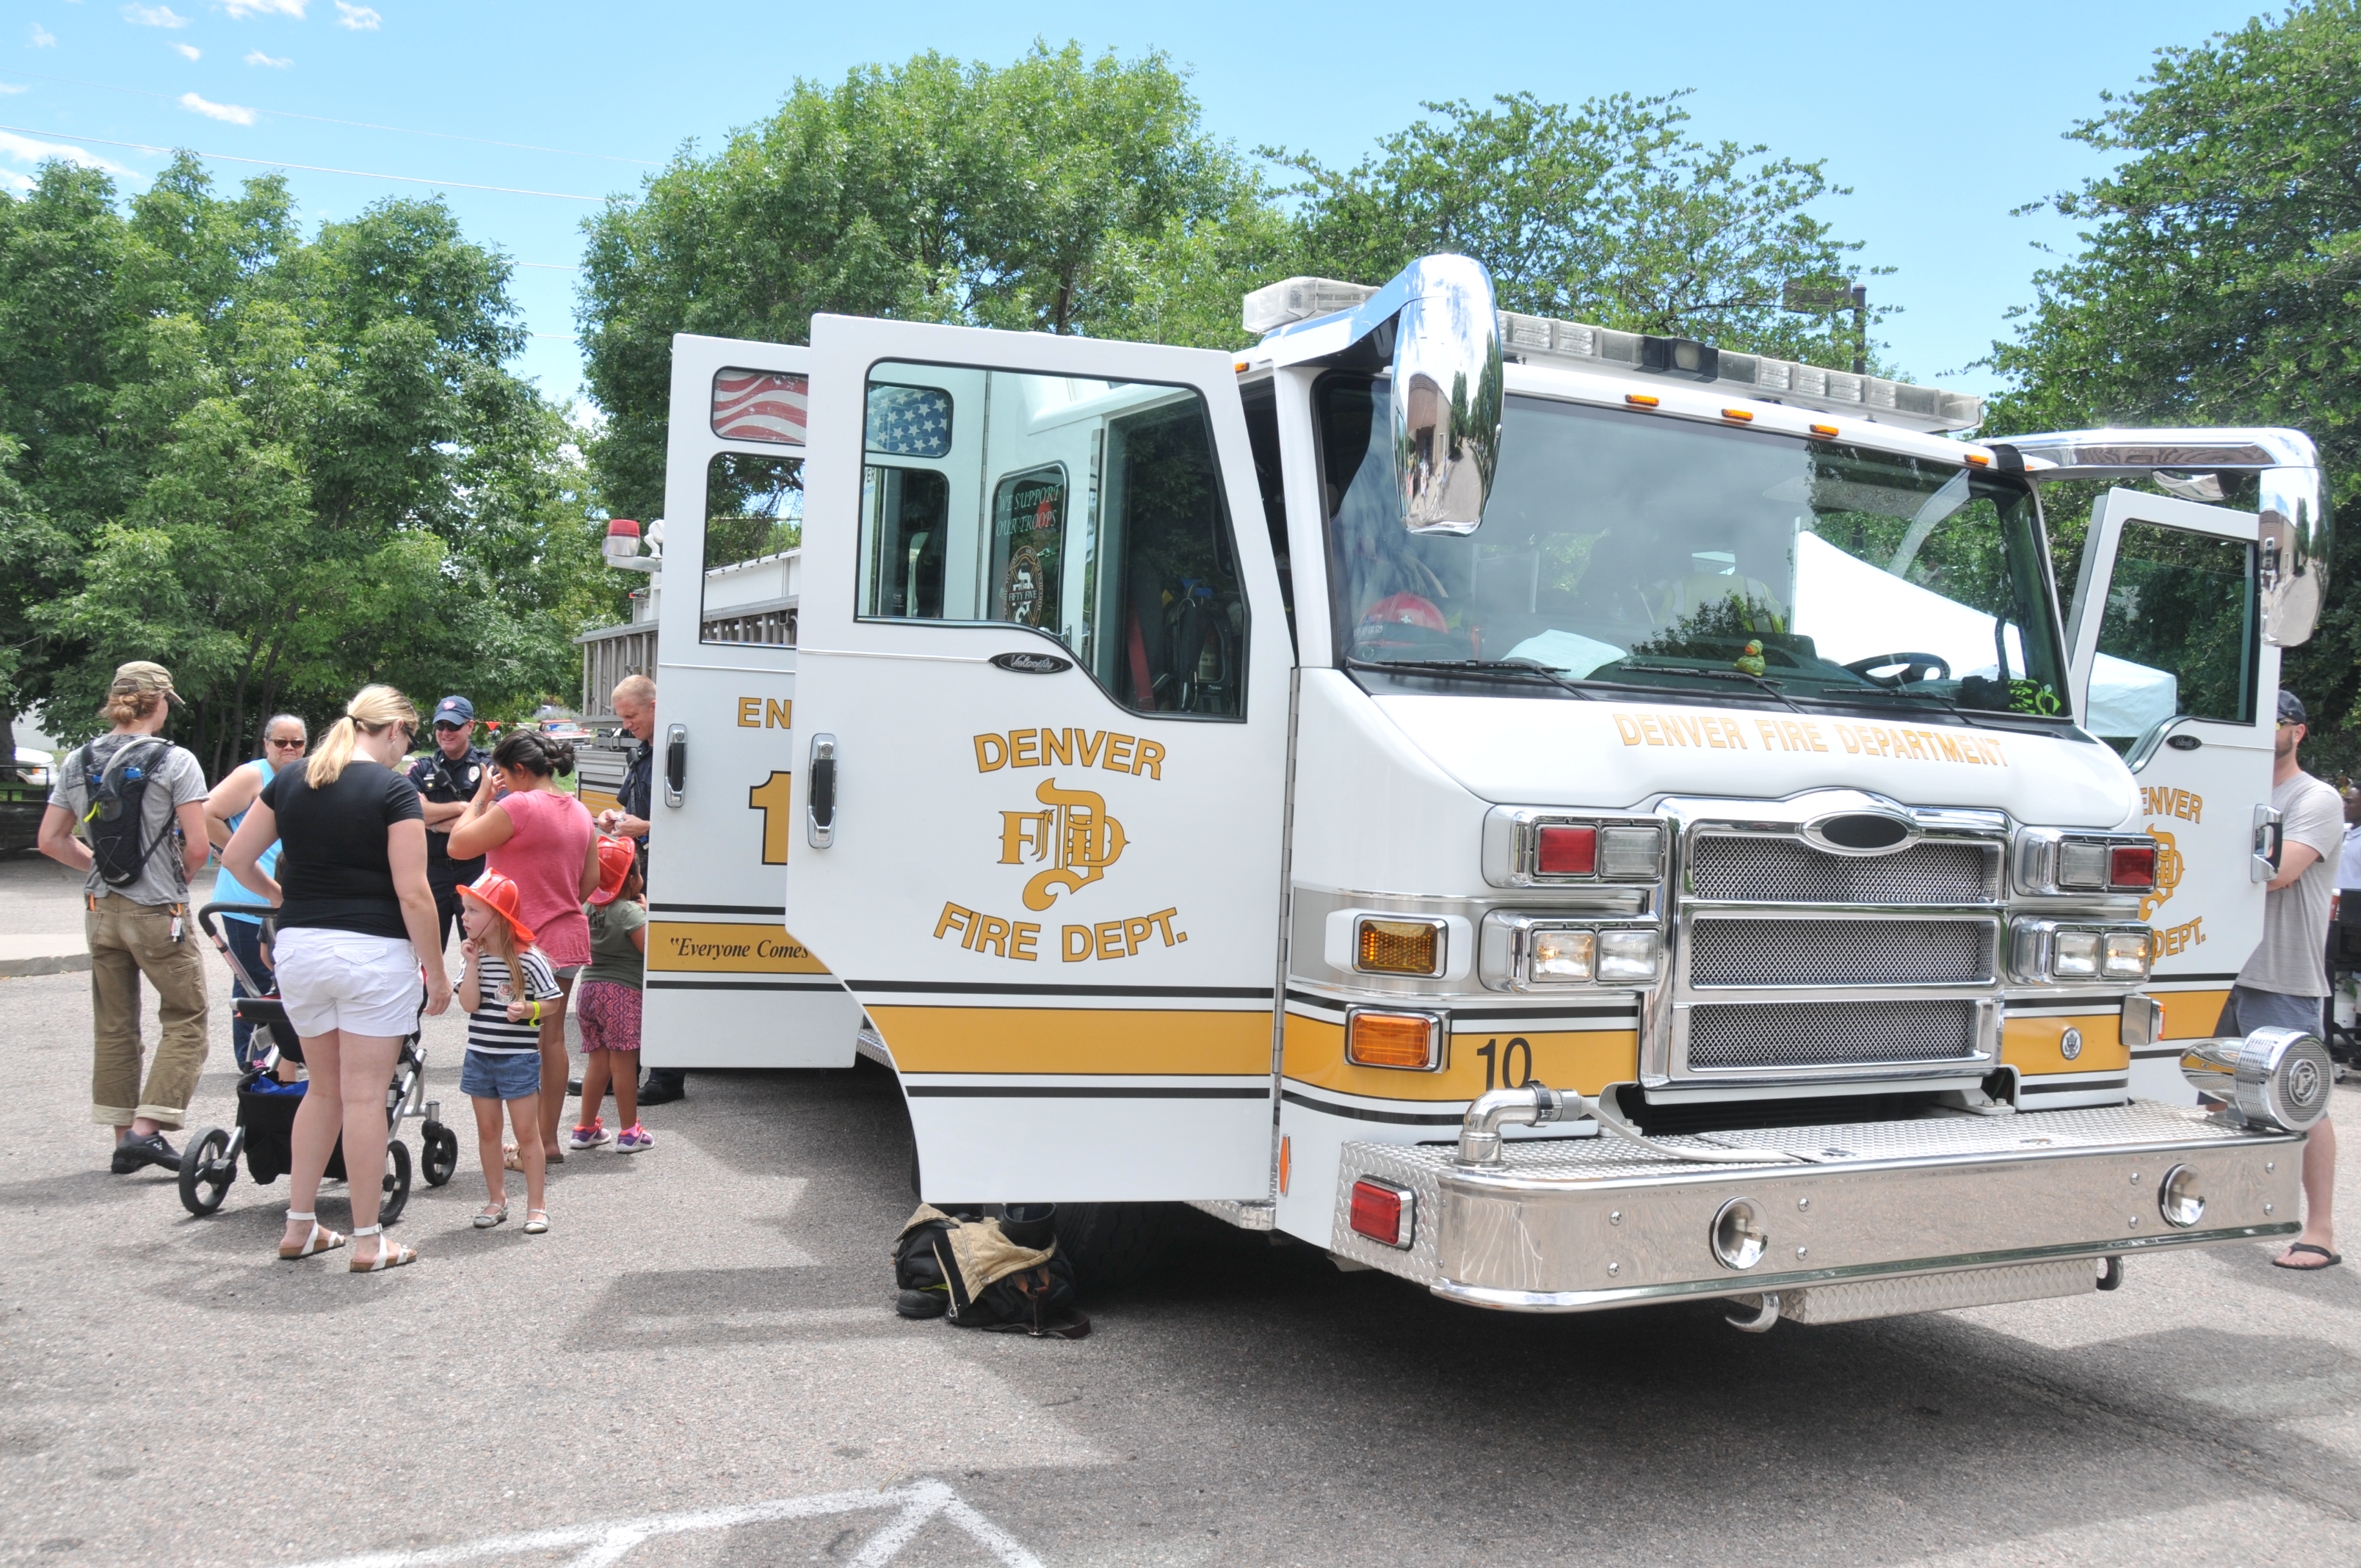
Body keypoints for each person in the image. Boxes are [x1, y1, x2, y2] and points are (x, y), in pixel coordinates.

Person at [221, 684, 451, 1272]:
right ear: (395, 730)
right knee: (366, 1099)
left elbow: (235, 859)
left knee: (321, 1091)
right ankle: (369, 1240)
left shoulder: (292, 779)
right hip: (371, 953)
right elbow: (414, 893)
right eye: (410, 736)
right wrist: (438, 972)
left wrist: (284, 899)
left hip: (300, 949)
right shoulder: (393, 789)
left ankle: (300, 1226)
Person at [37, 661, 214, 1174]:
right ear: (157, 703)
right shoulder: (176, 761)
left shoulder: (78, 760)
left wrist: (101, 866)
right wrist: (173, 880)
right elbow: (199, 846)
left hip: (100, 909)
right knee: (187, 1017)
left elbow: (50, 840)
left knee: (115, 1025)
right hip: (157, 909)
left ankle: (123, 1134)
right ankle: (147, 1129)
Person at [2219, 689, 2340, 1270]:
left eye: (2281, 720)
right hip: (2219, 968)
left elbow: (2280, 872)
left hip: (2283, 974)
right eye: (2258, 717)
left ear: (2300, 732)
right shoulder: (2232, 796)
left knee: (2300, 1103)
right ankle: (2222, 1212)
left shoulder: (2316, 798)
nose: (2269, 727)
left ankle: (2320, 1231)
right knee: (2217, 1095)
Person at [449, 729, 598, 1167]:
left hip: (523, 939)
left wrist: (480, 798)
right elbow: (589, 881)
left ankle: (528, 1144)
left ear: (518, 769)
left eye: (503, 775)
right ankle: (547, 1142)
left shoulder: (518, 804)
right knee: (551, 1039)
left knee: (515, 1042)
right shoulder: (579, 809)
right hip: (568, 933)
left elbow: (458, 845)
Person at [454, 871, 558, 1234]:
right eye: (465, 910)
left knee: (527, 1132)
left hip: (517, 1058)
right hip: (480, 1056)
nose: (464, 917)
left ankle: (537, 1205)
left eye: (473, 911)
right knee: (487, 1131)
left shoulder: (528, 959)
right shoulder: (476, 957)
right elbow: (468, 1004)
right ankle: (496, 1199)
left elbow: (552, 1002)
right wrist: (470, 965)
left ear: (498, 917)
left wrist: (528, 1010)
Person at [203, 714, 308, 1071]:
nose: (290, 749)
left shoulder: (305, 776)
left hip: (289, 898)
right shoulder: (253, 775)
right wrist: (237, 852)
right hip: (248, 898)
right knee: (254, 981)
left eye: (297, 743)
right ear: (267, 745)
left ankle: (286, 1056)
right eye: (281, 743)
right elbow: (207, 815)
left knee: (289, 979)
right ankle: (253, 1059)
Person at [599, 674, 683, 1105]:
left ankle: (667, 1077)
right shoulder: (643, 754)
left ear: (655, 706)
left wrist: (646, 828)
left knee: (661, 972)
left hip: (670, 875)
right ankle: (621, 1073)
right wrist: (616, 820)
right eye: (622, 717)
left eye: (631, 716)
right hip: (638, 874)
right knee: (630, 976)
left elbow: (698, 820)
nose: (626, 724)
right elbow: (632, 805)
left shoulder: (680, 754)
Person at [572, 836, 652, 1153]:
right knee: (623, 1066)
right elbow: (651, 950)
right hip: (622, 995)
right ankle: (630, 1132)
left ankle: (585, 1128)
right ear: (631, 879)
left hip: (589, 991)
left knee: (598, 1065)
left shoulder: (587, 907)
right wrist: (646, 915)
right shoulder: (629, 913)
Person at [409, 696, 492, 954]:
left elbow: (492, 816)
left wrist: (432, 822)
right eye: (440, 726)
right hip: (432, 872)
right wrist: (462, 809)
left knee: (480, 951)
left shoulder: (487, 766)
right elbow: (412, 812)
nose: (445, 732)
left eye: (453, 726)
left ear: (470, 726)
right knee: (424, 954)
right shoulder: (421, 768)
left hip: (474, 870)